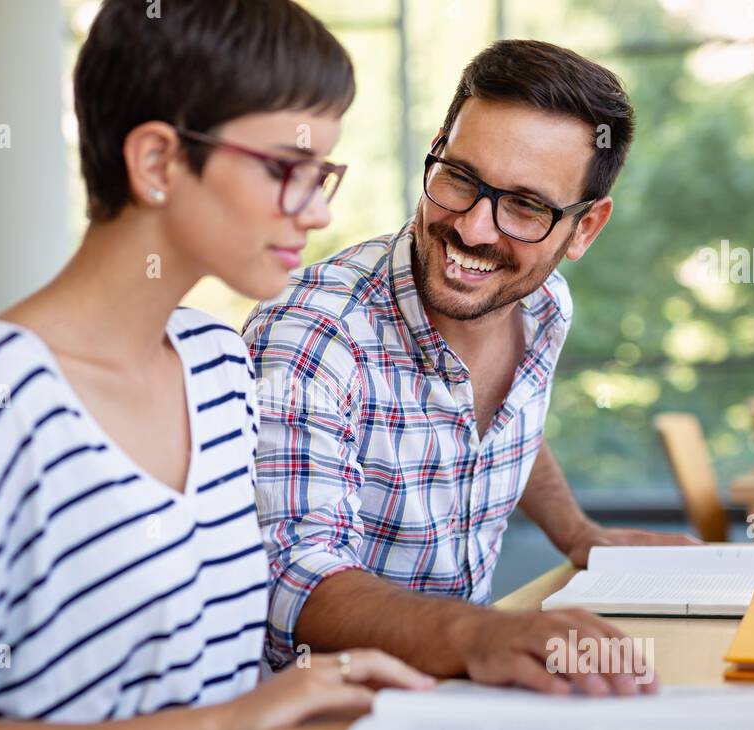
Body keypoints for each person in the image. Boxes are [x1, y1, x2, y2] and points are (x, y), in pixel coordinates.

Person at [0, 0, 431, 730]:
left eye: (322, 173)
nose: (319, 211)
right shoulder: (1, 388)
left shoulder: (219, 363)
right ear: (156, 161)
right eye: (284, 169)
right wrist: (249, 715)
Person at [244, 40, 698, 696]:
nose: (475, 228)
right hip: (324, 728)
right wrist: (480, 633)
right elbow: (295, 580)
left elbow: (504, 426)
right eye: (460, 177)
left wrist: (579, 532)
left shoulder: (544, 307)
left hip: (469, 699)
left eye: (525, 206)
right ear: (436, 147)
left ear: (584, 228)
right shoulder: (318, 330)